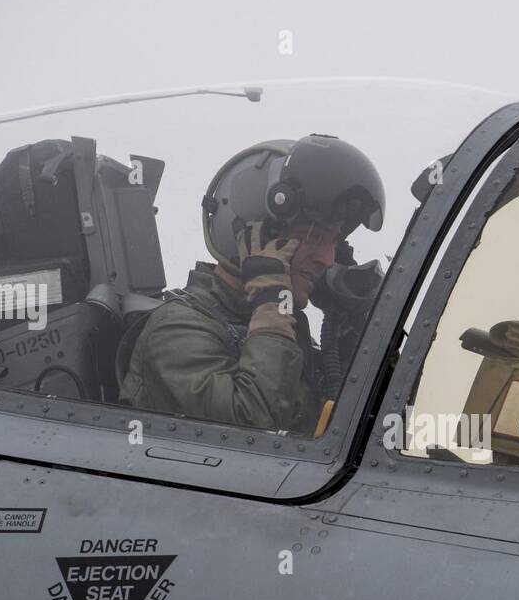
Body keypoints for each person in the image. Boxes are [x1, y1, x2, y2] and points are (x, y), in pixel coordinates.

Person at [120, 134, 385, 434]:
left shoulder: (287, 335)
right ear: (255, 232)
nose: (327, 259)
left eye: (334, 243)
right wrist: (272, 303)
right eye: (315, 236)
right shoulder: (176, 330)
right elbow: (249, 434)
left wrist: (354, 328)